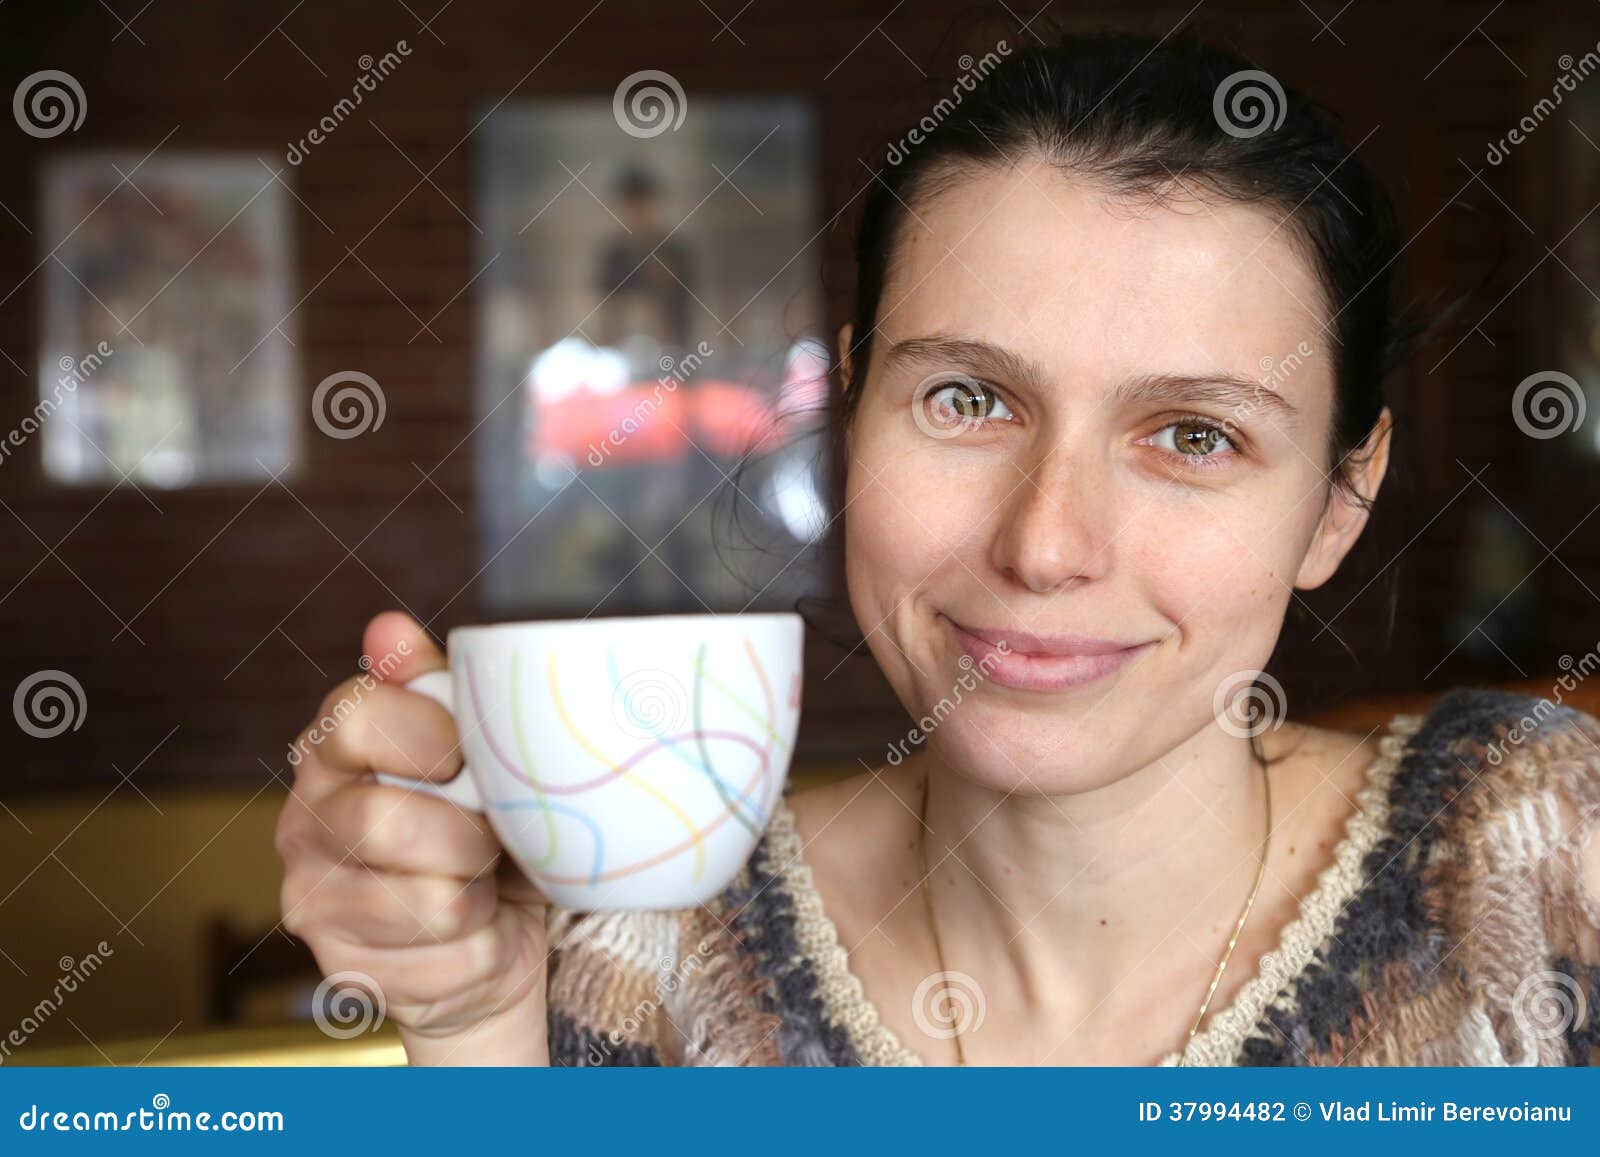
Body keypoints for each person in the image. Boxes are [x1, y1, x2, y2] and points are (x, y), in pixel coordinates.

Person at [273, 30, 1600, 1066]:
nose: (1046, 543)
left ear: (1338, 502)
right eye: (968, 400)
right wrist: (473, 1018)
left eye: (1194, 434)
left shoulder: (1542, 854)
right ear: (852, 408)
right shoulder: (638, 953)